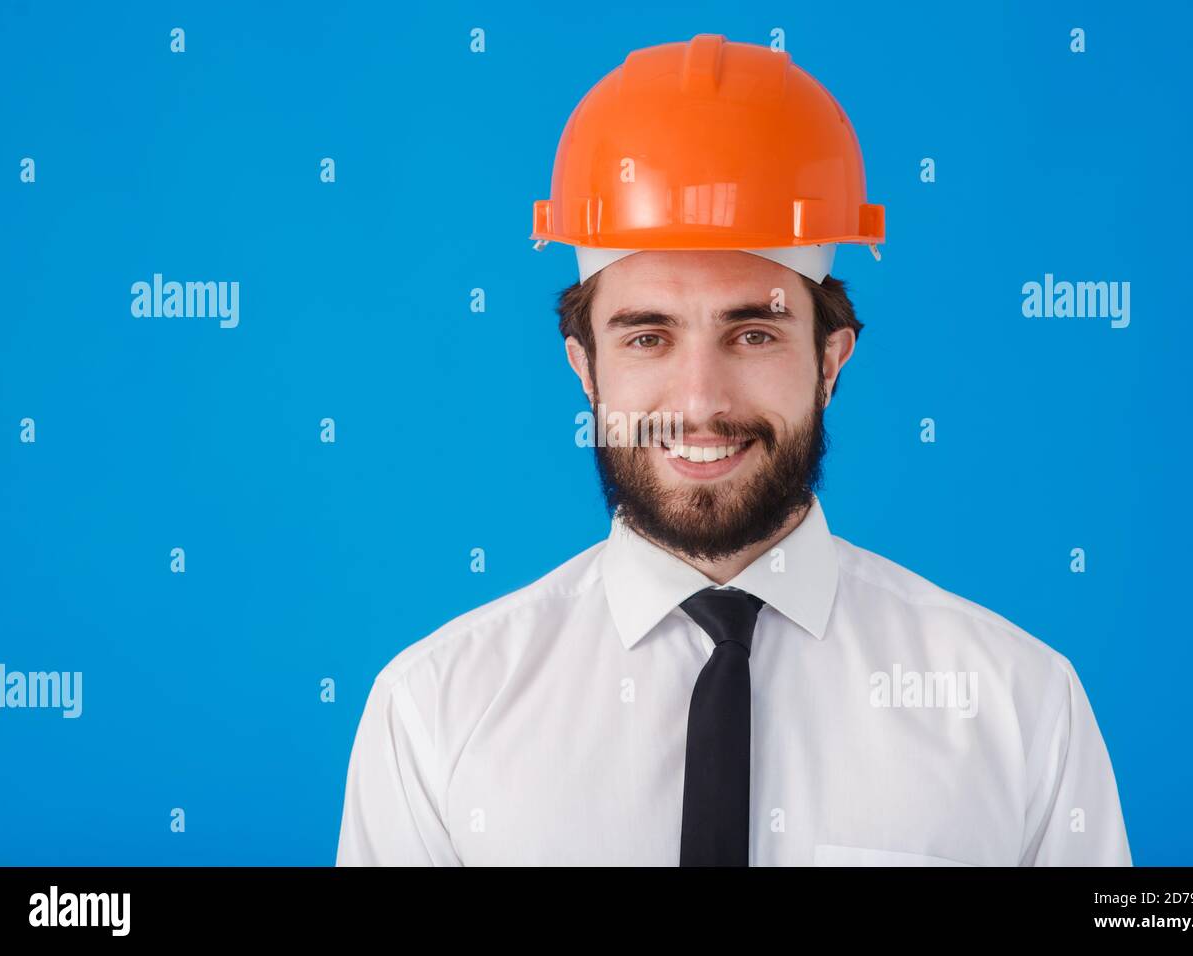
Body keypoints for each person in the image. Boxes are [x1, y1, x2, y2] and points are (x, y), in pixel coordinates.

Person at [335, 34, 1131, 867]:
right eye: (648, 337)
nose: (700, 403)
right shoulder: (433, 711)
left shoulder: (1019, 704)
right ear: (585, 367)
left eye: (753, 333)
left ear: (830, 361)